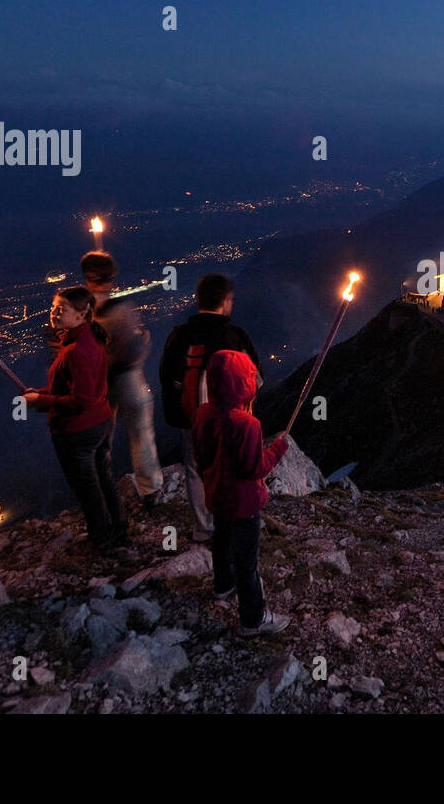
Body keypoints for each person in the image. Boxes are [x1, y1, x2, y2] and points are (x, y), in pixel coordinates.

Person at [191, 349, 290, 637]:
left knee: (221, 540)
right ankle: (253, 619)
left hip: (217, 497)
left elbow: (201, 457)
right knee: (248, 561)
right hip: (244, 504)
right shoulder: (247, 424)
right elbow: (255, 468)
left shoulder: (202, 414)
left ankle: (223, 585)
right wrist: (278, 448)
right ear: (243, 383)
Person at [160, 274, 262, 543]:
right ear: (225, 302)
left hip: (192, 419)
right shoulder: (235, 336)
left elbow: (167, 376)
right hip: (231, 420)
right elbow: (256, 378)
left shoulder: (179, 335)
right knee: (231, 469)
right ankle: (234, 523)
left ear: (198, 300)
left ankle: (204, 529)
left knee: (196, 470)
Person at [24, 287, 126, 551]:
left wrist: (41, 401)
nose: (55, 313)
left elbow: (81, 400)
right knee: (103, 478)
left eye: (62, 309)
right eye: (54, 307)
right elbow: (78, 390)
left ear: (82, 315)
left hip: (80, 429)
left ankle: (102, 539)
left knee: (87, 487)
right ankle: (119, 528)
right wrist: (41, 393)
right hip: (100, 422)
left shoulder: (76, 350)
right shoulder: (86, 340)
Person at [81, 251, 163, 508]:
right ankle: (149, 489)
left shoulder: (80, 311)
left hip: (98, 383)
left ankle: (101, 495)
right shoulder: (120, 311)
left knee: (101, 440)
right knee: (140, 434)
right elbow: (133, 350)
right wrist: (144, 340)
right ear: (111, 278)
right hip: (127, 379)